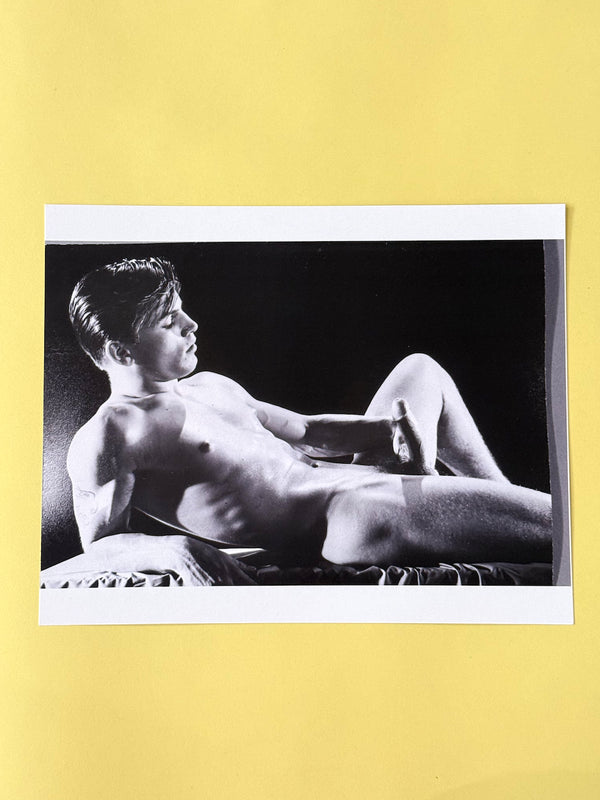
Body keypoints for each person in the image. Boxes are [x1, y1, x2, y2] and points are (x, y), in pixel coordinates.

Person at [65, 257, 552, 581]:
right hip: (346, 521)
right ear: (120, 351)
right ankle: (506, 518)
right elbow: (100, 544)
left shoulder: (209, 386)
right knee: (560, 524)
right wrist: (179, 552)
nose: (191, 325)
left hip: (356, 483)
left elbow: (308, 431)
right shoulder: (110, 434)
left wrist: (388, 432)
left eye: (182, 311)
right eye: (169, 321)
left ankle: (499, 501)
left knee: (420, 370)